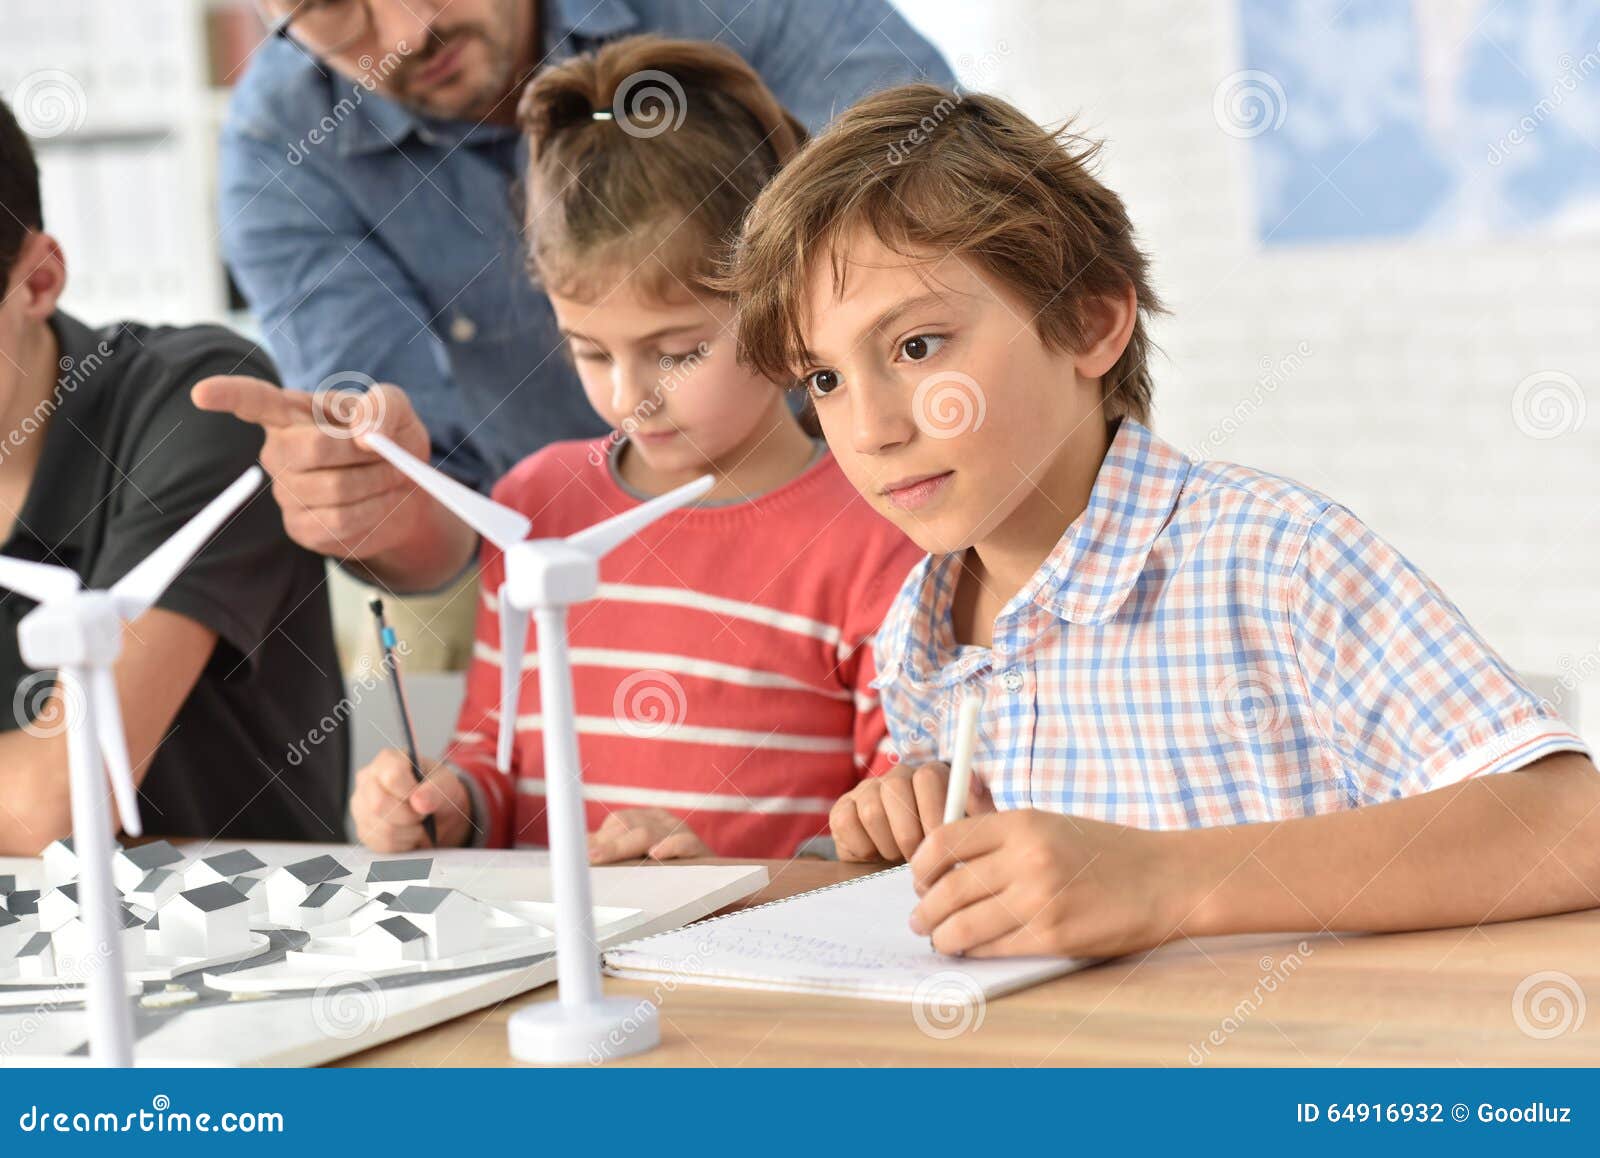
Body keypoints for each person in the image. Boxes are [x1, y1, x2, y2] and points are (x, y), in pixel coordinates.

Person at [721, 83, 1600, 955]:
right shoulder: (921, 621)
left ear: (1092, 323)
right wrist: (910, 804)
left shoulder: (1275, 560)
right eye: (823, 380)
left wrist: (1163, 881)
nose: (870, 430)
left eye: (917, 347)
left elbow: (1572, 827)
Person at [345, 38, 924, 861]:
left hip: (748, 974)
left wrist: (725, 876)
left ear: (782, 306)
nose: (628, 396)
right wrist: (445, 803)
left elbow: (892, 830)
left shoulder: (875, 534)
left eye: (676, 351)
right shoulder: (530, 506)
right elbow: (495, 752)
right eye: (590, 351)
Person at [195, 0, 952, 598]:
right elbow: (445, 517)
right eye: (330, 4)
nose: (410, 28)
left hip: (867, 486)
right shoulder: (281, 149)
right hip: (539, 551)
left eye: (678, 348)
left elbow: (933, 210)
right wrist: (377, 503)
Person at [0, 99, 346, 853]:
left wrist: (38, 783)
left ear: (37, 282)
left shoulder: (199, 403)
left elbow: (55, 803)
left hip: (251, 948)